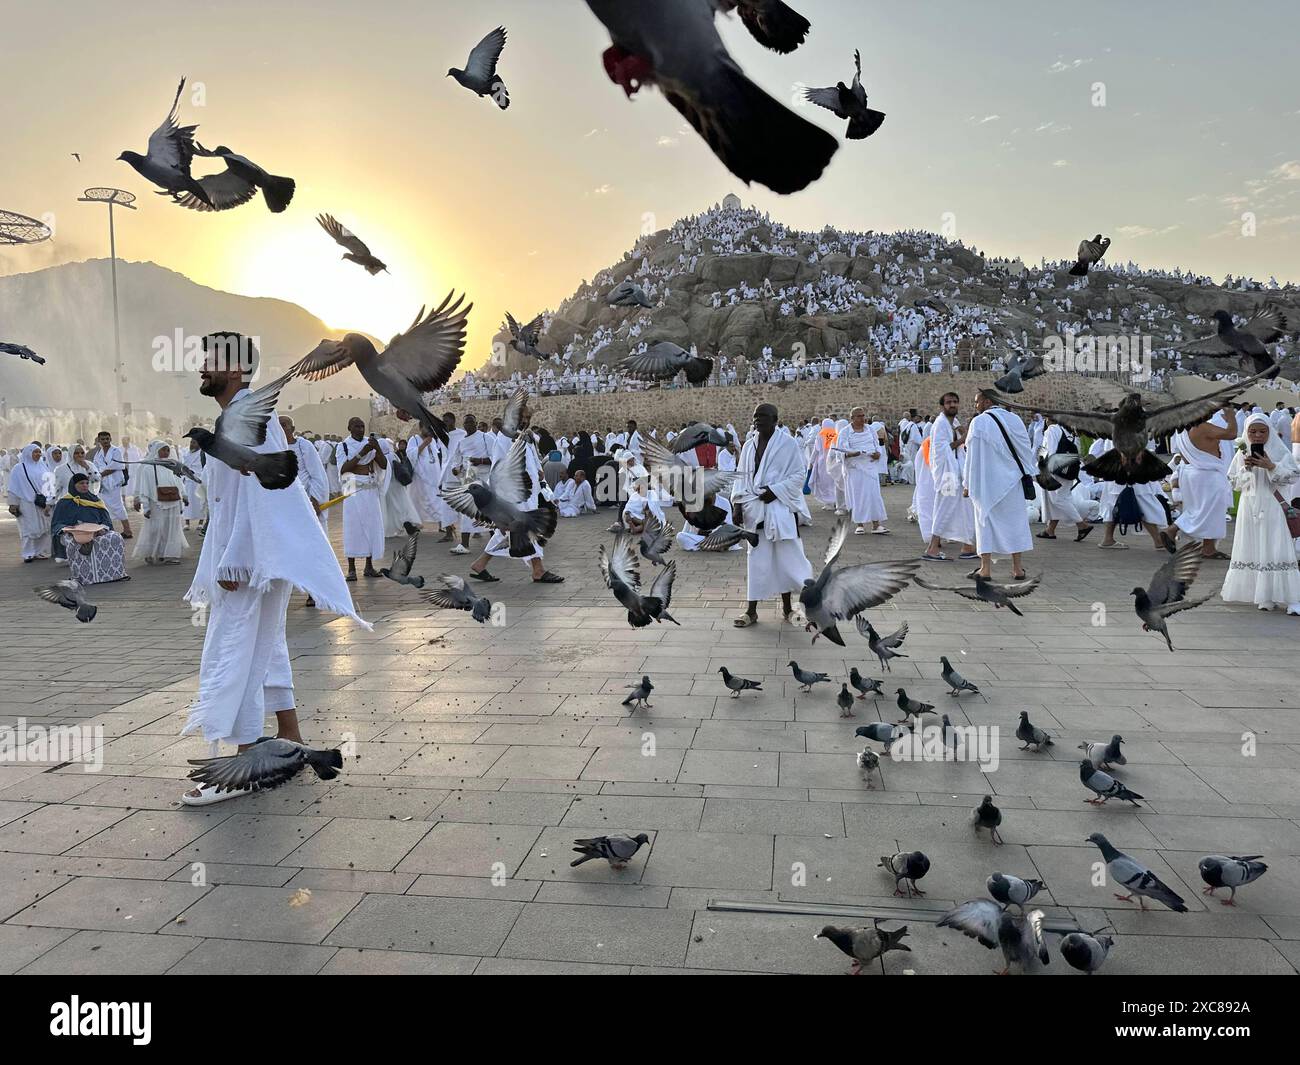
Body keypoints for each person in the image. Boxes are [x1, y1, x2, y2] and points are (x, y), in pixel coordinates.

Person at [181, 332, 369, 806]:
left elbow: (261, 494)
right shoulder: (236, 417)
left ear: (238, 370)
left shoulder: (251, 420)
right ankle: (289, 735)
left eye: (212, 361)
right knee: (267, 643)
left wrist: (237, 559)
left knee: (235, 649)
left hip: (246, 561)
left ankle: (244, 762)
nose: (203, 367)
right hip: (248, 557)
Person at [732, 403, 812, 627]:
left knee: (784, 559)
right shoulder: (749, 445)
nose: (758, 420)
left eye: (763, 416)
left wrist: (775, 492)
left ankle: (787, 608)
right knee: (756, 559)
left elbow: (799, 474)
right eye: (755, 416)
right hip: (754, 510)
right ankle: (751, 610)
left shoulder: (788, 444)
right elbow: (741, 475)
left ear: (775, 419)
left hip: (779, 510)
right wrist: (737, 504)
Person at [1221, 413, 1300, 615]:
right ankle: (1265, 596)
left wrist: (1271, 466)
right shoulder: (1242, 453)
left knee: (1278, 547)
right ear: (1246, 433)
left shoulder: (1280, 451)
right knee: (1257, 547)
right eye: (1252, 432)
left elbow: (1292, 476)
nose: (1257, 436)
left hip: (1273, 505)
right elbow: (1235, 482)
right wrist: (1246, 468)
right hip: (1250, 507)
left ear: (1270, 432)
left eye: (1262, 432)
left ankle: (1293, 598)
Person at [963, 391, 1033, 579]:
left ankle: (985, 569)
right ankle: (1017, 568)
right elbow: (1026, 449)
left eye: (977, 402)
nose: (975, 406)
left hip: (987, 483)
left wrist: (967, 483)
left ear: (987, 402)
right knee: (1015, 522)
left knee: (985, 522)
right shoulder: (1015, 419)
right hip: (1012, 482)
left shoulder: (979, 422)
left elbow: (971, 456)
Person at [1164, 405, 1235, 560]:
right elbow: (1231, 434)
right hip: (1207, 475)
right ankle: (1175, 531)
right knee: (1212, 511)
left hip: (1191, 473)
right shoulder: (1202, 427)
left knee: (1198, 510)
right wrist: (1231, 417)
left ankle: (1207, 547)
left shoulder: (1181, 430)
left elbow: (1182, 455)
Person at [50, 470, 129, 582]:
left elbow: (106, 520)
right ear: (73, 485)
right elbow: (57, 523)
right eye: (81, 483)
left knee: (115, 537)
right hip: (74, 533)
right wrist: (70, 529)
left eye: (87, 483)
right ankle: (84, 577)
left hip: (98, 531)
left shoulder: (95, 500)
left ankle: (114, 573)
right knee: (77, 542)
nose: (85, 486)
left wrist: (102, 528)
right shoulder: (64, 502)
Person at [924, 392, 976, 561]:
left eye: (955, 402)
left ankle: (967, 546)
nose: (952, 405)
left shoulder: (953, 422)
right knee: (944, 508)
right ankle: (932, 548)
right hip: (947, 474)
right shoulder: (939, 424)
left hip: (957, 472)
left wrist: (963, 434)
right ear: (942, 406)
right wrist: (963, 439)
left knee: (965, 508)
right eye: (948, 402)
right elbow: (942, 450)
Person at [336, 417, 388, 581]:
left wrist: (377, 448)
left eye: (362, 426)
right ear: (349, 427)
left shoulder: (370, 443)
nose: (360, 429)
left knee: (371, 525)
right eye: (357, 426)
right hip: (352, 485)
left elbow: (384, 465)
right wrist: (362, 453)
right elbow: (344, 469)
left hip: (370, 486)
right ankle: (351, 569)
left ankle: (369, 566)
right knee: (353, 526)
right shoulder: (343, 446)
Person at [1037, 418, 1093, 542]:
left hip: (1056, 469)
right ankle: (1050, 530)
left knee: (1058, 499)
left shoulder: (1052, 430)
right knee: (1060, 498)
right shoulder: (1067, 431)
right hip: (1068, 469)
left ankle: (1082, 525)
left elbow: (1049, 451)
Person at [134, 439, 188, 564]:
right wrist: (146, 506)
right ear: (156, 451)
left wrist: (184, 496)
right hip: (156, 503)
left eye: (168, 449)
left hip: (173, 501)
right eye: (163, 449)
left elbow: (179, 482)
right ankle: (151, 552)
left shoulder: (173, 465)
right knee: (156, 528)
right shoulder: (148, 467)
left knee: (171, 529)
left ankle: (169, 555)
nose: (166, 452)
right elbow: (145, 488)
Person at [836, 407, 888, 534]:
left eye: (863, 415)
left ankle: (876, 524)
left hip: (870, 467)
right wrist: (850, 454)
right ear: (852, 418)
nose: (862, 418)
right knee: (857, 496)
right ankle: (860, 524)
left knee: (874, 496)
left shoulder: (870, 430)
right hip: (855, 469)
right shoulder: (845, 432)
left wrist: (878, 454)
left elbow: (877, 446)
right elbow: (840, 452)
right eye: (859, 416)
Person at [7, 443, 52, 561]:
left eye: (39, 452)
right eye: (35, 452)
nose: (37, 454)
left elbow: (50, 484)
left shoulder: (43, 466)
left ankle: (40, 552)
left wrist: (50, 500)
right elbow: (13, 487)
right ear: (28, 453)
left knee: (44, 527)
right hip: (26, 503)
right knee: (28, 528)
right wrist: (13, 504)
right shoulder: (19, 468)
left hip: (42, 503)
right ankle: (28, 553)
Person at [91, 430, 132, 538]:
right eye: (103, 439)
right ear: (99, 440)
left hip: (114, 483)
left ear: (110, 439)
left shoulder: (116, 451)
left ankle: (127, 530)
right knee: (104, 506)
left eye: (107, 439)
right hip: (103, 484)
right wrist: (96, 475)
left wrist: (100, 474)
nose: (105, 441)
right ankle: (107, 529)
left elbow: (116, 466)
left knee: (118, 506)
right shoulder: (98, 454)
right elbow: (96, 467)